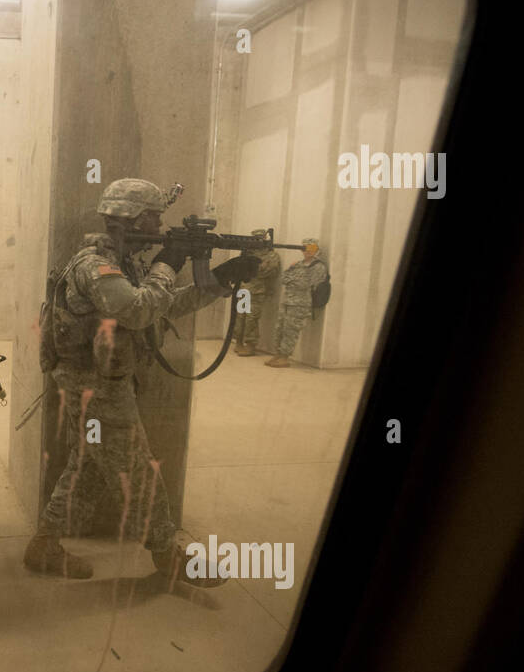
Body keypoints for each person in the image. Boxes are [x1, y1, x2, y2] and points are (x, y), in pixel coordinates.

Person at [24, 179, 261, 581]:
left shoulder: (124, 262)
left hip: (102, 382)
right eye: (154, 218)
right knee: (138, 470)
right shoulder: (95, 265)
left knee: (86, 467)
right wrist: (169, 261)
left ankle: (44, 545)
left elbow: (159, 306)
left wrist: (220, 279)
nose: (159, 228)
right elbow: (135, 311)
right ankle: (166, 555)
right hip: (95, 389)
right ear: (129, 218)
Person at [266, 238, 327, 368]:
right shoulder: (297, 264)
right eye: (305, 248)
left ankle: (285, 357)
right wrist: (293, 278)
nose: (307, 252)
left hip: (300, 304)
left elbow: (305, 284)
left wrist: (292, 279)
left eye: (311, 249)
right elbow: (283, 278)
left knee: (290, 330)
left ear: (316, 250)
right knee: (280, 328)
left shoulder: (318, 267)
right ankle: (278, 354)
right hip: (287, 301)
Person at [232, 229, 280, 356]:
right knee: (240, 317)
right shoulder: (247, 253)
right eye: (255, 238)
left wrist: (251, 268)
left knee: (251, 319)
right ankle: (238, 342)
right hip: (243, 289)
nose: (258, 240)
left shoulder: (271, 255)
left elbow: (268, 272)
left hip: (257, 291)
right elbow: (238, 268)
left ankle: (250, 345)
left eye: (260, 238)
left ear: (265, 238)